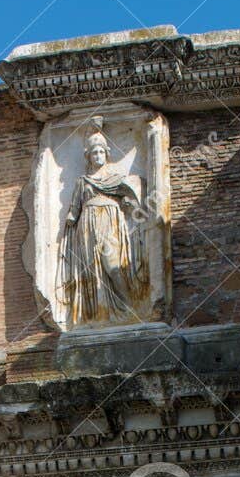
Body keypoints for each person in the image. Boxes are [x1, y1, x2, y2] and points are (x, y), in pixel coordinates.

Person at [57, 117, 148, 327]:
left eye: (101, 152)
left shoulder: (115, 177)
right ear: (88, 156)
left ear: (107, 154)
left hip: (110, 220)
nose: (98, 155)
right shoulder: (82, 181)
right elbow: (74, 210)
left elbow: (131, 197)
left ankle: (129, 307)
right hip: (87, 226)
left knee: (113, 264)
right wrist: (71, 219)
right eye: (94, 152)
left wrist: (129, 201)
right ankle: (99, 313)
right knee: (92, 270)